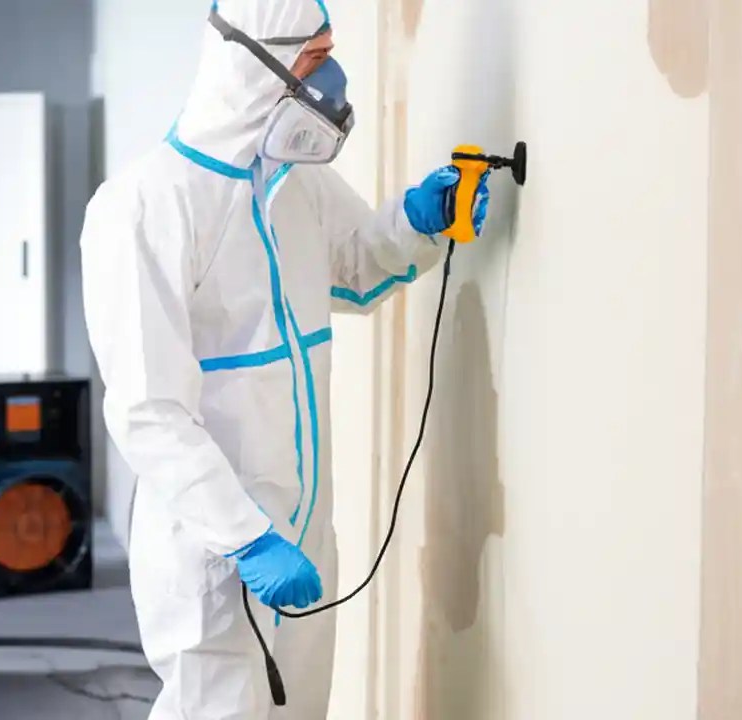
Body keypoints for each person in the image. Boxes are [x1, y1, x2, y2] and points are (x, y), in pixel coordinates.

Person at [80, 1, 491, 717]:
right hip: (218, 551)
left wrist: (417, 224)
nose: (329, 77)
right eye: (313, 57)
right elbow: (148, 411)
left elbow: (357, 263)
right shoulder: (146, 207)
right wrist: (246, 538)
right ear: (252, 64)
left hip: (304, 532)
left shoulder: (294, 183)